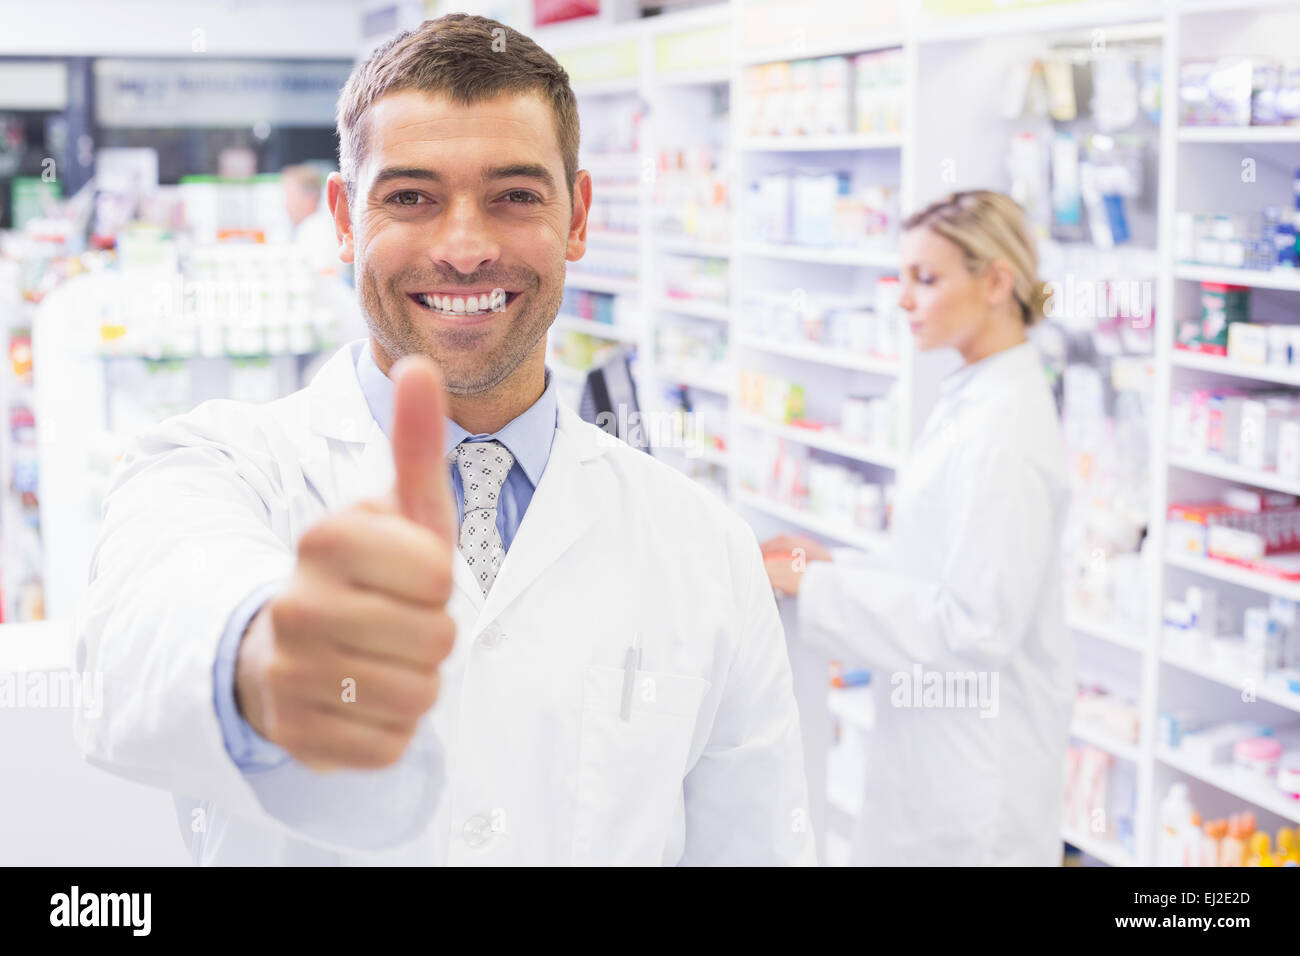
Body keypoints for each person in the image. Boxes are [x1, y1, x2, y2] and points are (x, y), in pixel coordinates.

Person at [74, 14, 814, 867]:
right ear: (346, 219)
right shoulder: (221, 465)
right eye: (412, 197)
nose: (465, 249)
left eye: (515, 195)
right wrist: (263, 650)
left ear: (577, 219)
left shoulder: (702, 544)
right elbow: (145, 618)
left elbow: (755, 847)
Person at [762, 190, 1074, 866]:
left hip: (979, 779)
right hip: (941, 750)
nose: (902, 300)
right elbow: (937, 564)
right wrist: (834, 569)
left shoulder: (1005, 428)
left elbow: (975, 626)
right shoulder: (975, 393)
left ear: (996, 282)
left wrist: (816, 589)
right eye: (902, 278)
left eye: (925, 280)